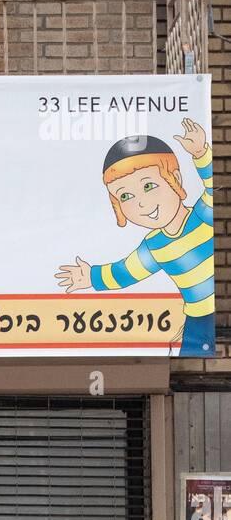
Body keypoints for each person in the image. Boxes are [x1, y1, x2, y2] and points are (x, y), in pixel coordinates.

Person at [55, 120, 214, 357]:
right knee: (188, 357)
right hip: (197, 319)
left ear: (176, 180)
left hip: (213, 315)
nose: (141, 203)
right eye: (126, 195)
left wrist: (201, 154)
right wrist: (91, 276)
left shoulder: (202, 215)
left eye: (149, 185)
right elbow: (126, 272)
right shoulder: (154, 246)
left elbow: (212, 190)